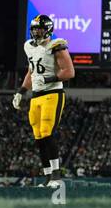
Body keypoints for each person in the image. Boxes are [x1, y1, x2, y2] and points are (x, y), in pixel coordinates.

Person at [14, 13, 76, 188]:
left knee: (47, 132)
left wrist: (48, 79)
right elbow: (31, 71)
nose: (37, 33)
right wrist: (21, 91)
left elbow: (69, 72)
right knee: (38, 136)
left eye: (40, 29)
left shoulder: (57, 46)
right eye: (34, 29)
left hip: (53, 94)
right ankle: (48, 176)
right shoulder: (29, 46)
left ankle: (56, 176)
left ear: (48, 29)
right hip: (36, 96)